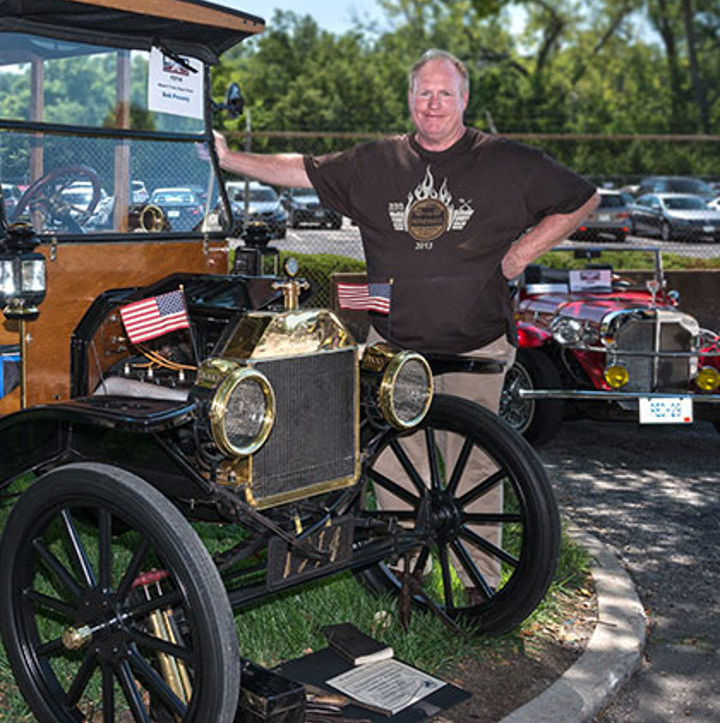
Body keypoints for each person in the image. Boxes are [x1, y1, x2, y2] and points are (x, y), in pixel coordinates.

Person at [214, 48, 598, 595]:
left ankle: (478, 581)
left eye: (445, 93)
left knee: (476, 465)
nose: (433, 104)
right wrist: (231, 159)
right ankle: (405, 572)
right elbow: (301, 169)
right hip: (394, 348)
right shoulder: (377, 163)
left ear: (464, 100)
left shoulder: (507, 162)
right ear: (410, 100)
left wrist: (521, 253)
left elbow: (582, 197)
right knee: (396, 460)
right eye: (424, 93)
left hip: (476, 345)